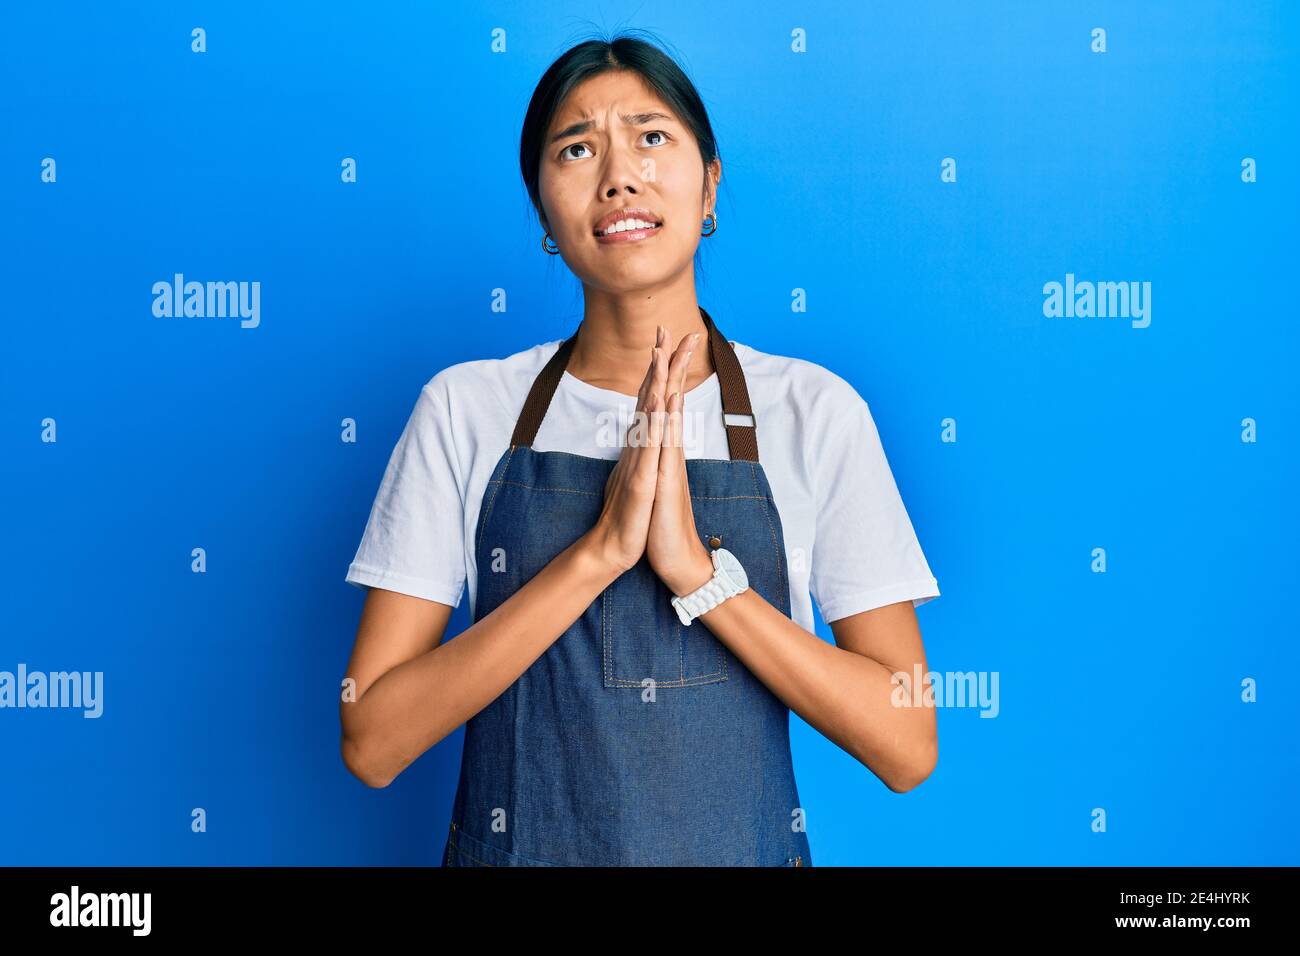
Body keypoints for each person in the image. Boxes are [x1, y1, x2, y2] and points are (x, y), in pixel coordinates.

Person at [339, 33, 940, 867]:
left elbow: (907, 743)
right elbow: (372, 738)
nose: (619, 173)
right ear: (544, 211)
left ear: (710, 186)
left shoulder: (814, 413)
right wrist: (598, 554)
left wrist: (697, 572)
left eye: (652, 137)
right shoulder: (465, 409)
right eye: (576, 148)